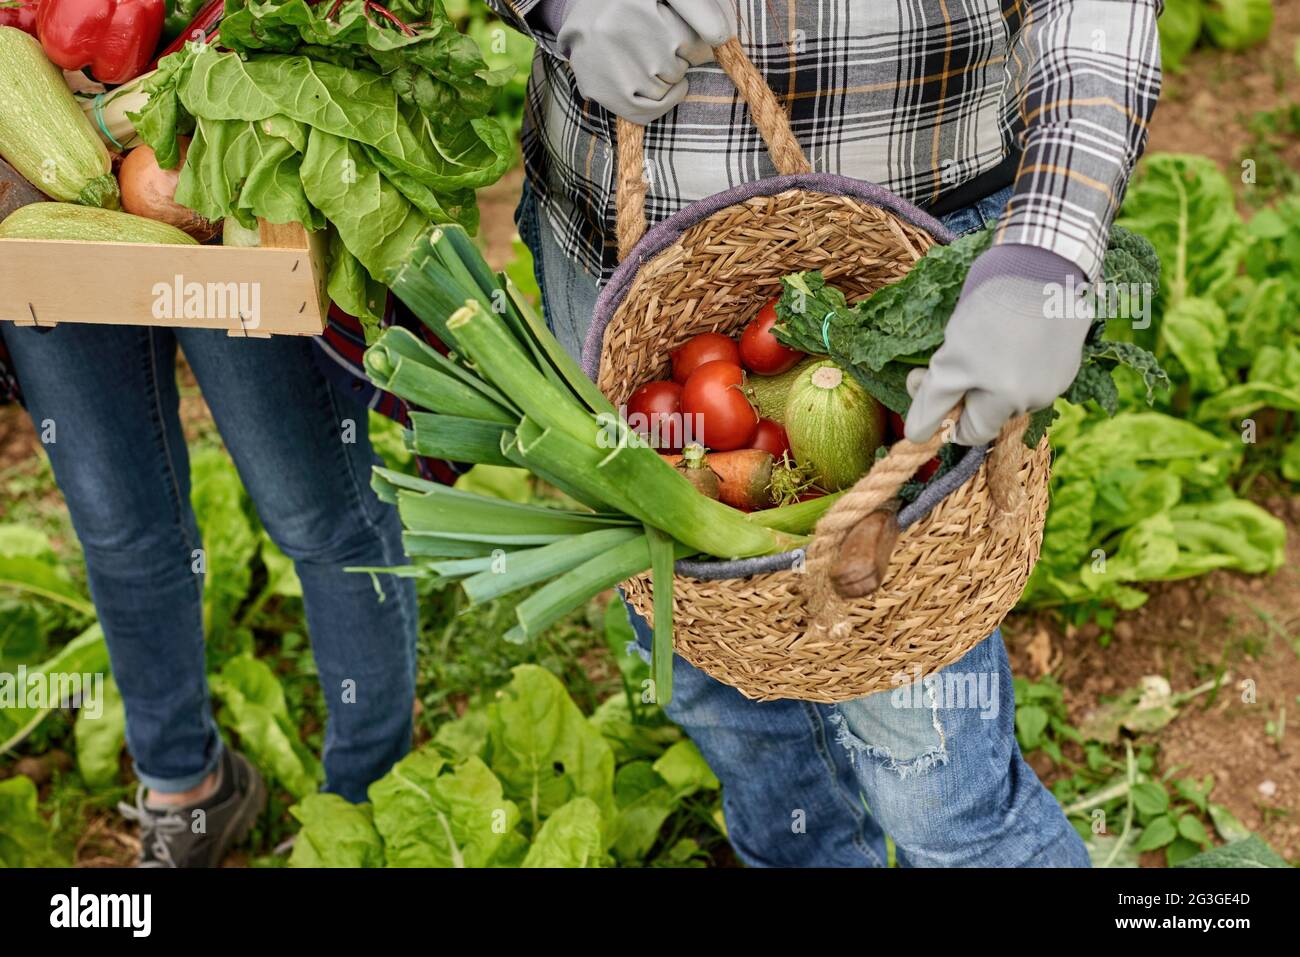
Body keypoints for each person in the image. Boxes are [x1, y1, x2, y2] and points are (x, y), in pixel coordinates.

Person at [488, 0, 1162, 865]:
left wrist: (1052, 246)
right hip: (617, 245)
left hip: (904, 243)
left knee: (937, 786)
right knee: (717, 683)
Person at [0, 319, 420, 867]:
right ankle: (187, 791)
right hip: (36, 239)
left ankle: (362, 808)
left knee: (319, 514)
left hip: (233, 238)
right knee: (120, 532)